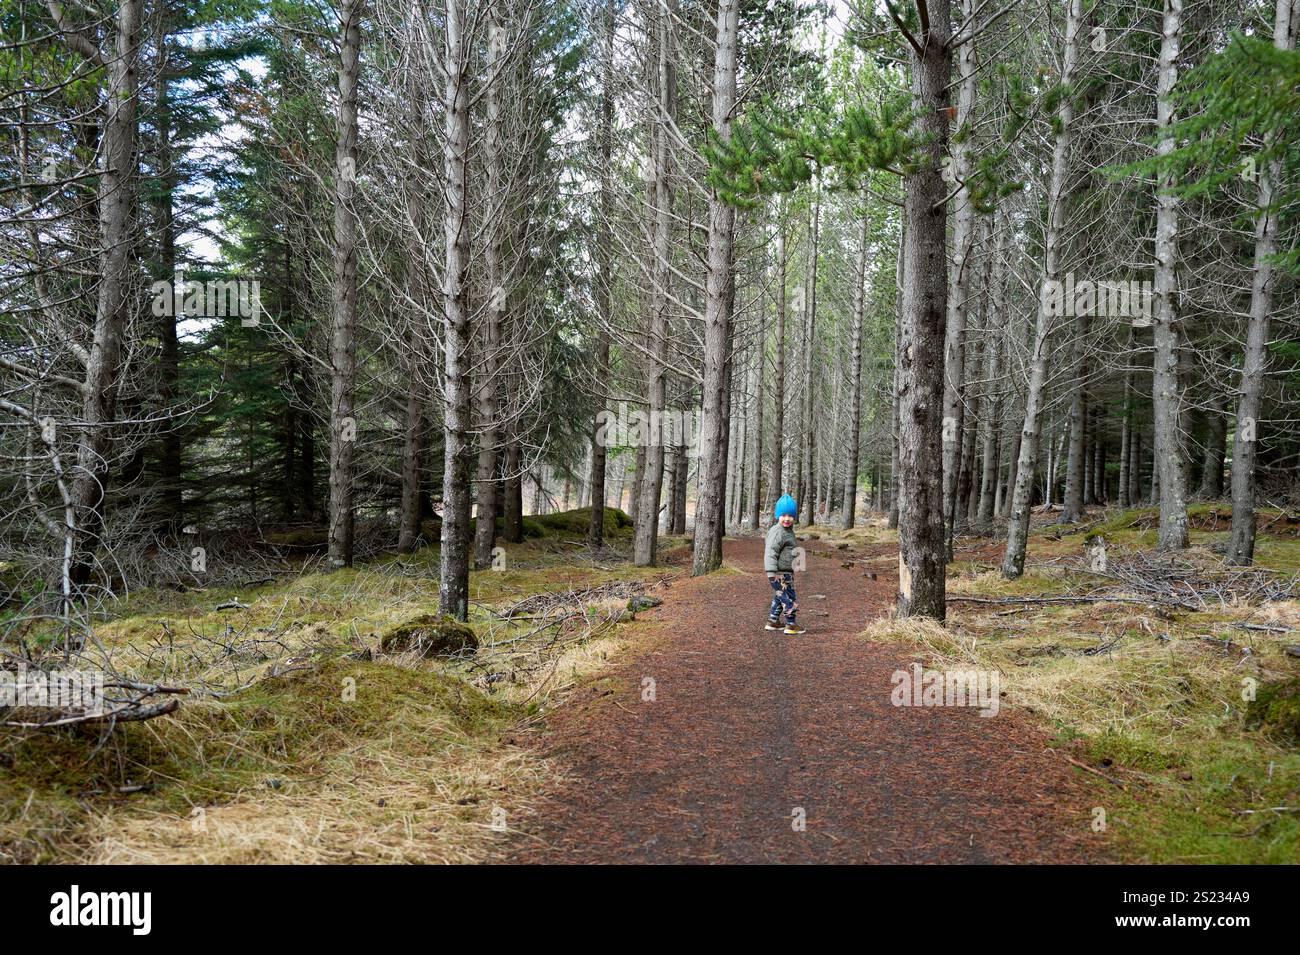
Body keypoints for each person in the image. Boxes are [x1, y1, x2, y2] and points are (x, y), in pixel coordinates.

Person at [764, 494, 805, 635]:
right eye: (783, 515)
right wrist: (771, 572)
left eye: (790, 515)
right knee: (789, 598)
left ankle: (773, 621)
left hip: (786, 571)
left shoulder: (787, 531)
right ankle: (791, 624)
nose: (787, 518)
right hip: (779, 573)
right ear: (777, 515)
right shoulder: (778, 532)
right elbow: (770, 552)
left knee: (780, 595)